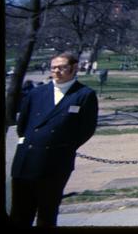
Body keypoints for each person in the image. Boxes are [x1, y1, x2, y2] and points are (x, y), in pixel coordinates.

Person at [9, 51, 99, 227]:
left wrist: (62, 146)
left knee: (47, 213)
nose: (56, 71)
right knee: (19, 213)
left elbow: (86, 129)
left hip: (56, 163)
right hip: (26, 160)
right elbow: (23, 125)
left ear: (74, 68)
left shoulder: (84, 95)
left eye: (62, 67)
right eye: (53, 68)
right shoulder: (36, 93)